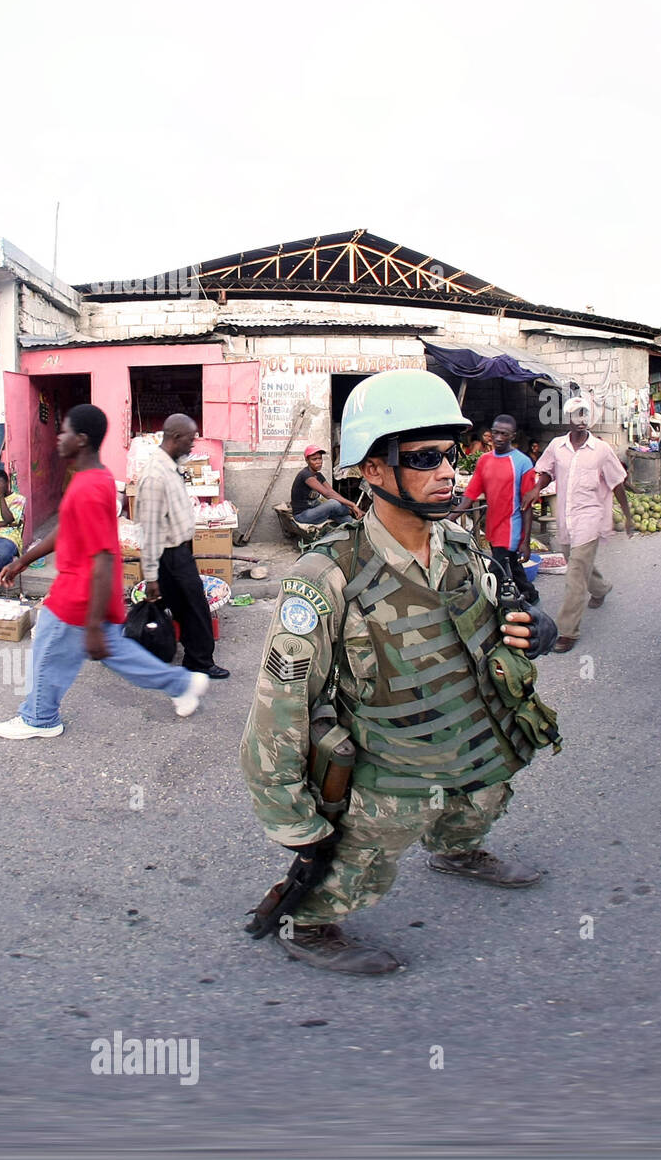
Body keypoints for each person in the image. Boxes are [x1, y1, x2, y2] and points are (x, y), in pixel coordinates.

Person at [236, 369, 557, 975]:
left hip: (473, 735)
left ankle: (457, 851)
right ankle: (306, 925)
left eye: (452, 455)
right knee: (363, 852)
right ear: (373, 470)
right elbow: (280, 705)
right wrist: (292, 817)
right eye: (425, 457)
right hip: (392, 758)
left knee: (485, 794)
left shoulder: (462, 546)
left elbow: (505, 617)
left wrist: (538, 629)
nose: (447, 473)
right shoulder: (327, 574)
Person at [0, 404, 210, 740]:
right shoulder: (92, 479)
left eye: (63, 432)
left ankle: (40, 717)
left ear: (81, 440)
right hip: (87, 591)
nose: (58, 439)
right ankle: (182, 684)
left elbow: (104, 558)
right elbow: (65, 529)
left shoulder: (90, 487)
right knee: (116, 652)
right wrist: (23, 560)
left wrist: (93, 624)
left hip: (79, 594)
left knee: (48, 647)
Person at [130, 413, 225, 679]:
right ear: (175, 438)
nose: (193, 444)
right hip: (169, 556)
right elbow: (148, 530)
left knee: (186, 608)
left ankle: (187, 658)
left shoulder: (171, 466)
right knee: (195, 608)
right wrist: (150, 576)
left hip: (179, 551)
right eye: (190, 439)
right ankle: (199, 662)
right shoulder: (155, 475)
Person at [531, 402, 627, 653]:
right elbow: (547, 471)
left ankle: (567, 631)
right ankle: (601, 588)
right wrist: (536, 489)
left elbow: (617, 482)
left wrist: (628, 516)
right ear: (568, 419)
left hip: (590, 518)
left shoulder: (601, 450)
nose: (582, 419)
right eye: (577, 414)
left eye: (586, 414)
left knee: (574, 574)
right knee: (577, 561)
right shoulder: (556, 446)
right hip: (566, 517)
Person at [461, 417, 538, 598]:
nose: (498, 437)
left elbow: (528, 506)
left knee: (496, 572)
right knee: (513, 570)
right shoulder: (484, 461)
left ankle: (490, 609)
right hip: (493, 528)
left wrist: (526, 542)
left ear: (512, 436)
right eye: (495, 432)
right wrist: (447, 518)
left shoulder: (523, 463)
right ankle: (530, 600)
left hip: (512, 527)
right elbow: (470, 494)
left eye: (504, 434)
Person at [287, 446, 356, 529]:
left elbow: (332, 491)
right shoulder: (305, 475)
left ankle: (352, 515)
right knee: (333, 503)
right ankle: (351, 512)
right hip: (303, 515)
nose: (318, 462)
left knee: (347, 519)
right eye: (314, 459)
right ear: (307, 461)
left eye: (320, 458)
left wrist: (348, 505)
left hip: (315, 510)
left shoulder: (319, 476)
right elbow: (328, 494)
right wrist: (352, 505)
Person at [0, 466, 23, 589]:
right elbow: (7, 521)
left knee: (4, 553)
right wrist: (4, 523)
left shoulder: (19, 499)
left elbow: (9, 519)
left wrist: (1, 497)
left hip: (9, 537)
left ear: (7, 483)